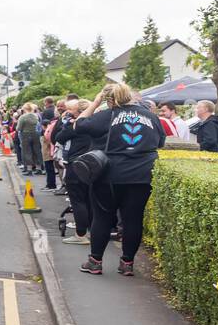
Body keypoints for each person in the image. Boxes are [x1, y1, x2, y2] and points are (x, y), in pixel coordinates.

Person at [75, 82, 165, 276]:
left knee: (102, 217)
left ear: (110, 100)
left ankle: (95, 261)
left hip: (110, 175)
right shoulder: (151, 116)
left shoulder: (108, 115)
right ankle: (127, 263)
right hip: (142, 175)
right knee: (133, 219)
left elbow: (79, 124)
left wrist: (96, 100)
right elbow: (161, 142)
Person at [52, 96, 93, 244]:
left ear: (79, 113)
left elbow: (58, 137)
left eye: (70, 110)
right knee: (89, 200)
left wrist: (65, 124)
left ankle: (80, 235)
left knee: (78, 200)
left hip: (76, 165)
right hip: (93, 165)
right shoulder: (95, 123)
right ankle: (90, 231)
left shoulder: (76, 126)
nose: (67, 112)